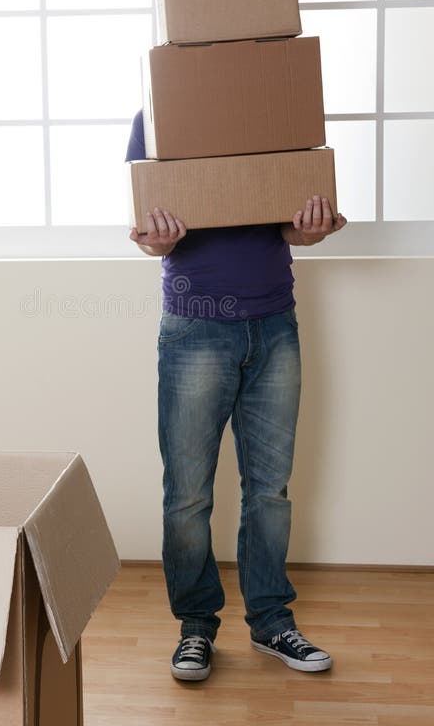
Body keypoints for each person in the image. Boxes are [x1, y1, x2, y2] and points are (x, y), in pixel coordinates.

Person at [126, 108, 347, 681]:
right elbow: (150, 236)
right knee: (189, 494)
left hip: (275, 321)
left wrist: (309, 230)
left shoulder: (272, 101)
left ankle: (272, 622)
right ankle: (196, 626)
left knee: (270, 489)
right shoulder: (158, 114)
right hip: (195, 325)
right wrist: (159, 240)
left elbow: (288, 225)